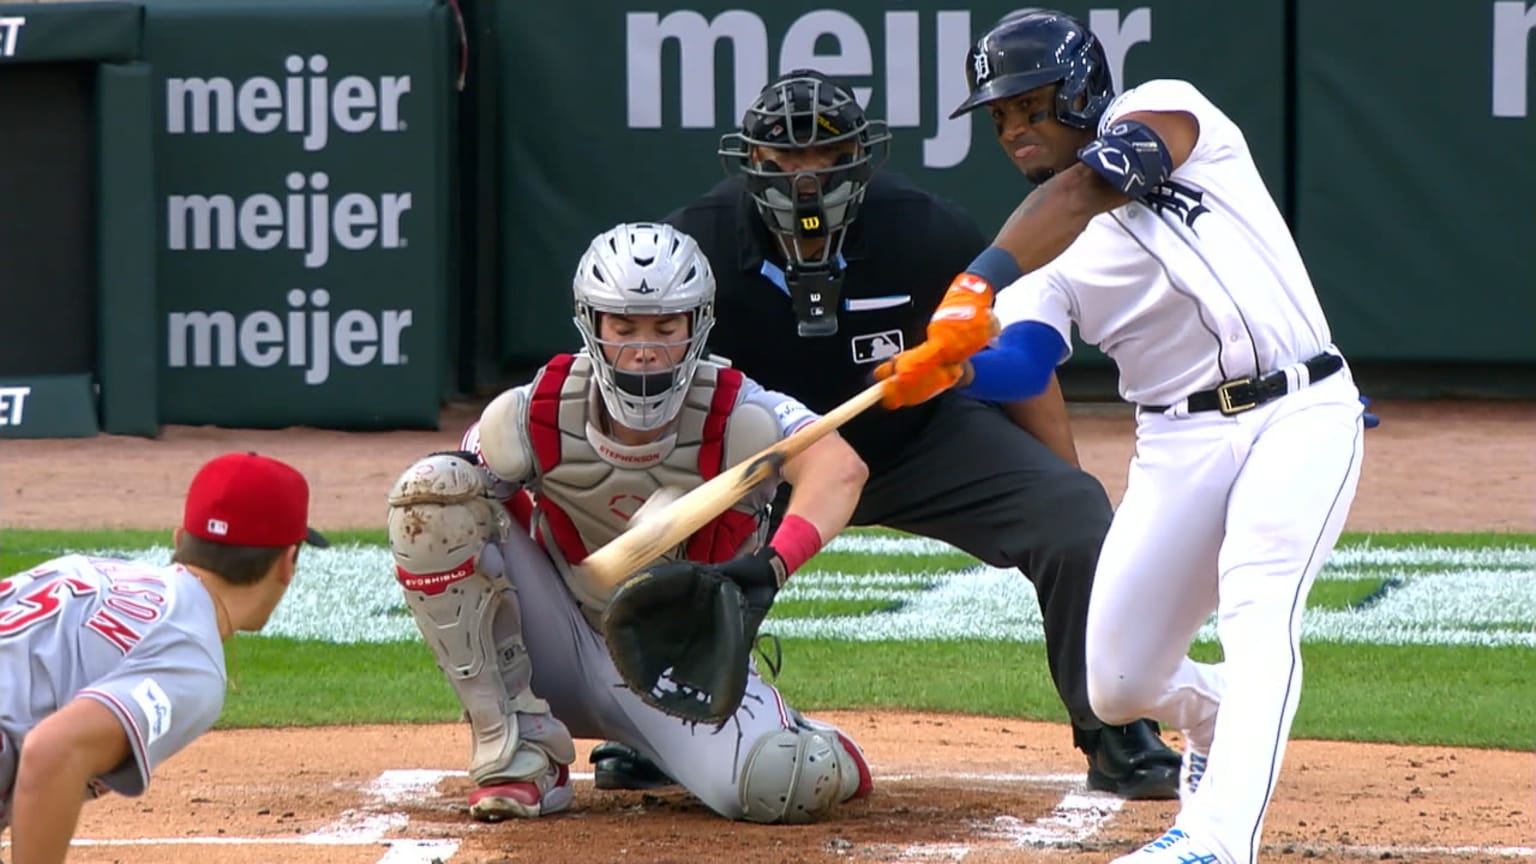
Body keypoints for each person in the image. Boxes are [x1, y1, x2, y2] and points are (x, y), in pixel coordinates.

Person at [587, 68, 1183, 800]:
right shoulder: (699, 243)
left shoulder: (930, 233)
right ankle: (657, 722)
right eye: (783, 159)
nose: (805, 178)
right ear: (748, 161)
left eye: (825, 156)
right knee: (650, 514)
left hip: (919, 440)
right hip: (763, 459)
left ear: (861, 158)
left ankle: (1113, 728)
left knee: (1071, 513)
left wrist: (1069, 495)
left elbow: (1022, 366)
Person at [876, 10, 1366, 863]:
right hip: (1178, 446)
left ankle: (1214, 841)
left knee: (1259, 611)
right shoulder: (1041, 260)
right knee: (1117, 683)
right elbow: (1027, 362)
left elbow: (1084, 188)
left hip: (1300, 410)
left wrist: (972, 282)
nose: (1015, 131)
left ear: (1081, 91)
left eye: (1031, 108)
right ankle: (1217, 718)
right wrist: (955, 373)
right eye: (1000, 118)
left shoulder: (1167, 111)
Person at [386, 222, 874, 824]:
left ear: (697, 326)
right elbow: (451, 500)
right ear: (593, 325)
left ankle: (780, 734)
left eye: (666, 327)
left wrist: (773, 564)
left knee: (790, 783)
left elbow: (839, 469)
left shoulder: (741, 411)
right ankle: (516, 750)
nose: (645, 347)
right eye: (624, 327)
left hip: (682, 670)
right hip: (554, 642)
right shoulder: (533, 412)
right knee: (431, 496)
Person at [0, 452, 325, 863]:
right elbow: (52, 750)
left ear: (178, 541)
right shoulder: (192, 661)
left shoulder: (82, 570)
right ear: (288, 562)